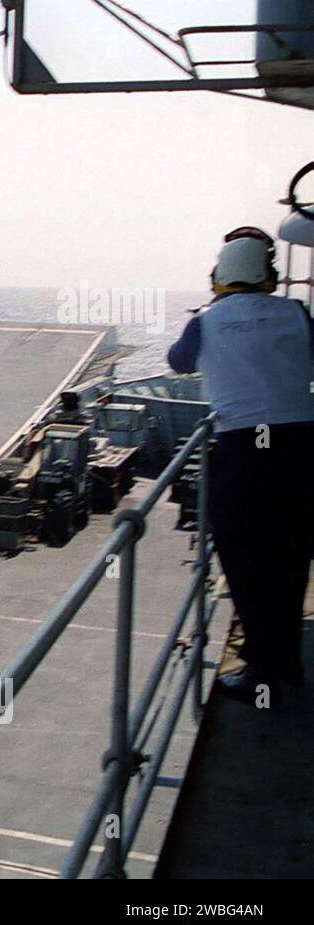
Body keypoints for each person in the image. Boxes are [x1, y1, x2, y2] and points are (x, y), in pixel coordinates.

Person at [168, 226, 314, 703]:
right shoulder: (297, 312)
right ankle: (284, 665)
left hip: (245, 452)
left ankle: (263, 676)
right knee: (291, 561)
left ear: (221, 273)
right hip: (299, 448)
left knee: (247, 564)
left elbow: (178, 363)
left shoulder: (206, 322)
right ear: (267, 274)